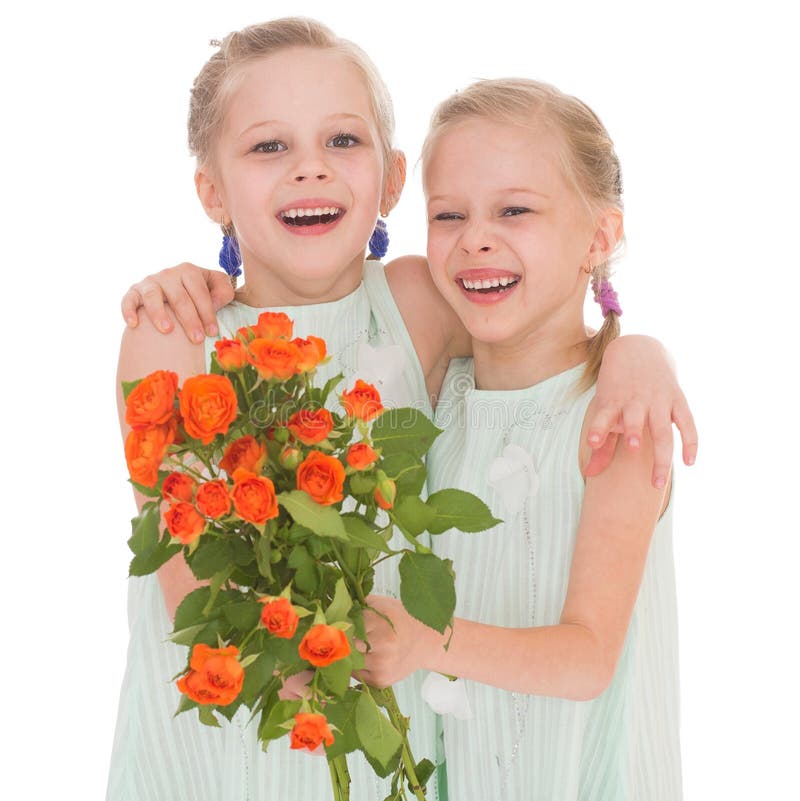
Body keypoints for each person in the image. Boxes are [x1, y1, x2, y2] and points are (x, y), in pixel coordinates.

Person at [113, 17, 695, 801]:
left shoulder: (421, 301)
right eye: (268, 147)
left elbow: (552, 326)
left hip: (396, 742)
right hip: (229, 754)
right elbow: (193, 591)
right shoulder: (172, 341)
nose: (310, 170)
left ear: (390, 180)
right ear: (212, 191)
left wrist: (640, 352)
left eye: (342, 142)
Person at [358, 79, 683, 800]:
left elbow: (588, 657)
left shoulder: (618, 422)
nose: (476, 236)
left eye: (515, 209)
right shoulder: (438, 401)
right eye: (449, 214)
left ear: (598, 239)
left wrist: (422, 640)